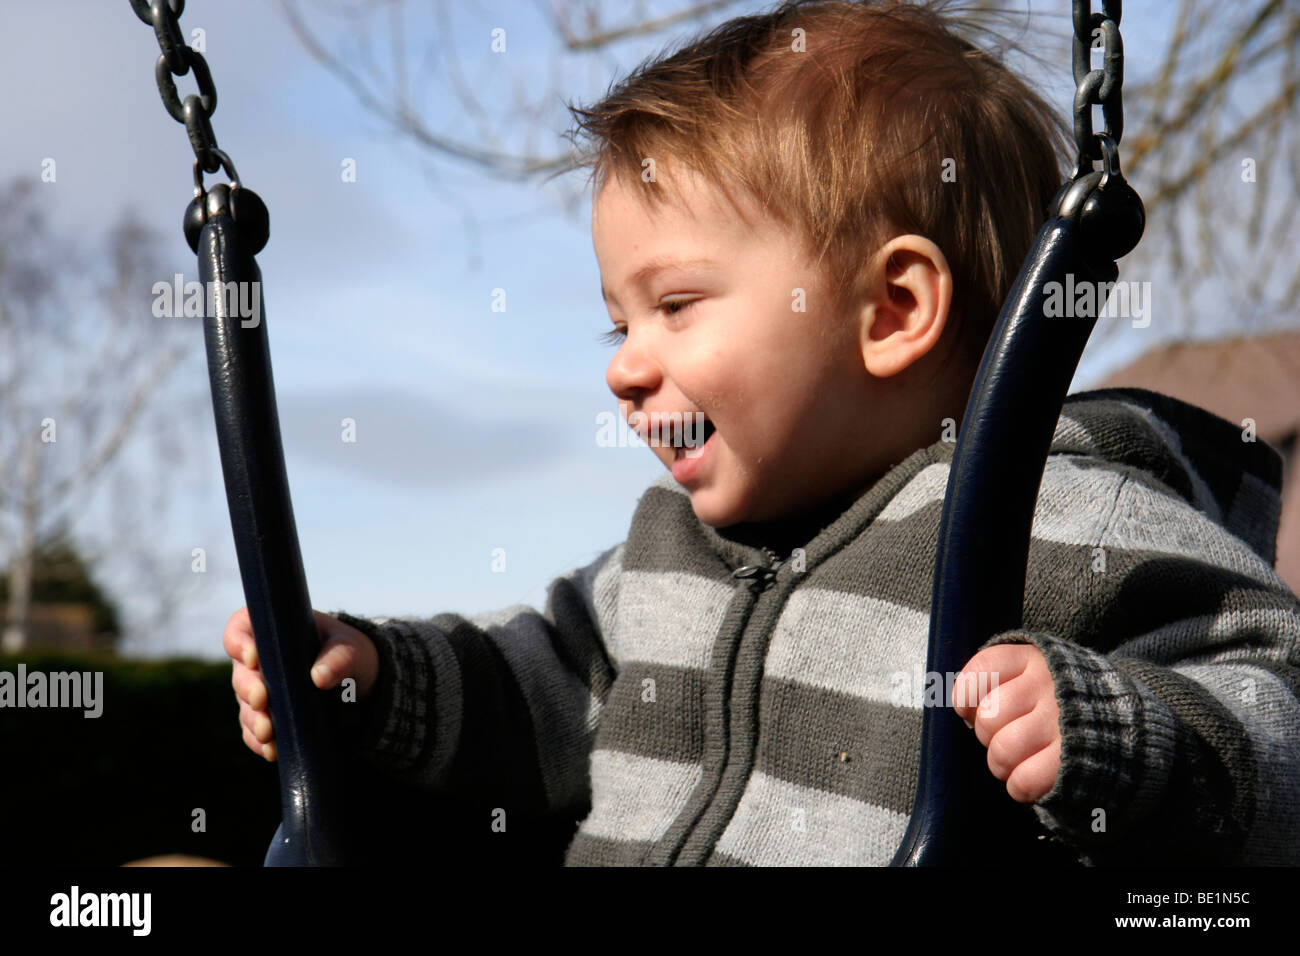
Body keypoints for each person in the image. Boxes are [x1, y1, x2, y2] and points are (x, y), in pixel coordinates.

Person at [225, 0, 1300, 865]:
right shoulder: (669, 554)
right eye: (618, 322)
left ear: (892, 310)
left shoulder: (1065, 521)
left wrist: (1114, 732)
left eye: (675, 305)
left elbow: (1274, 717)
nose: (623, 367)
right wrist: (374, 675)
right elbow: (540, 683)